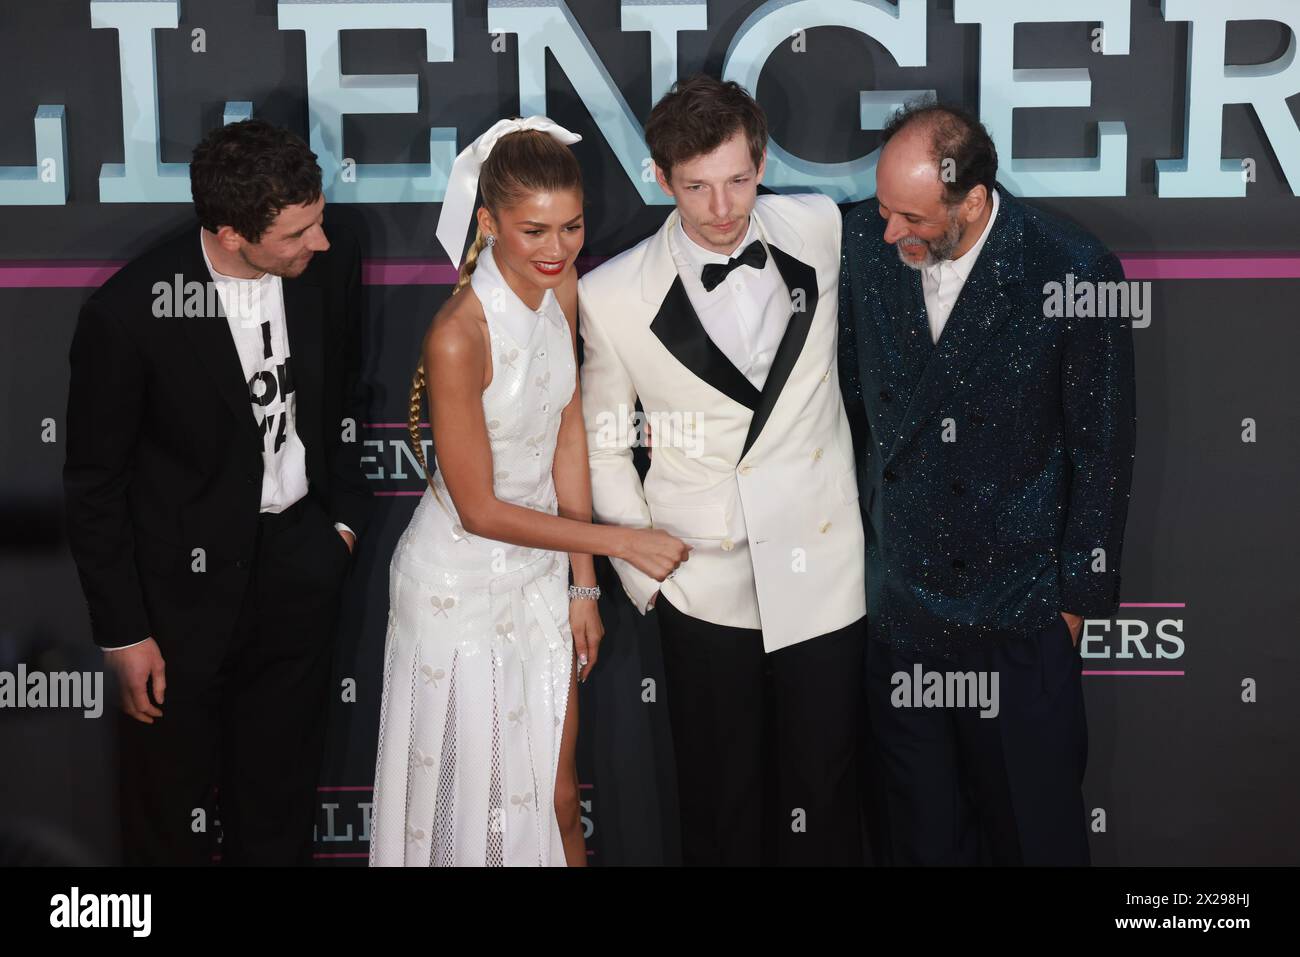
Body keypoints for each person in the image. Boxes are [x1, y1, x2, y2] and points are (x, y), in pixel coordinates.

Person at [368, 117, 690, 867]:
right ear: (488, 222)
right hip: (456, 591)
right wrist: (620, 542)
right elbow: (479, 511)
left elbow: (567, 427)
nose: (558, 248)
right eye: (534, 230)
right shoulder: (459, 334)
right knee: (474, 819)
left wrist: (583, 586)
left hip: (542, 575)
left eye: (571, 227)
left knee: (556, 799)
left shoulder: (560, 285)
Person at [63, 119, 372, 864]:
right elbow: (95, 485)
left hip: (298, 567)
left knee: (278, 810)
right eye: (297, 233)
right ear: (232, 233)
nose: (321, 241)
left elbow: (343, 400)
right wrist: (123, 632)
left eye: (318, 219)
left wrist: (338, 531)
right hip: (178, 604)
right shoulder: (130, 313)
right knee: (167, 820)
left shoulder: (324, 266)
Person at [578, 76, 868, 866]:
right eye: (696, 186)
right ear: (660, 177)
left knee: (826, 798)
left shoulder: (820, 226)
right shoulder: (610, 295)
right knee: (721, 806)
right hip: (703, 580)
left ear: (762, 162)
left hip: (824, 570)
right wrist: (642, 570)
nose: (721, 207)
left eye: (739, 180)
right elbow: (605, 441)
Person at [838, 101, 1137, 865]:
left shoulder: (1070, 268)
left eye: (911, 217)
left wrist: (1072, 608)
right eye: (882, 208)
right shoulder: (863, 247)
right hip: (904, 618)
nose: (888, 232)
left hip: (1019, 621)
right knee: (919, 844)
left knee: (1035, 840)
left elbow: (1102, 449)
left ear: (971, 200)